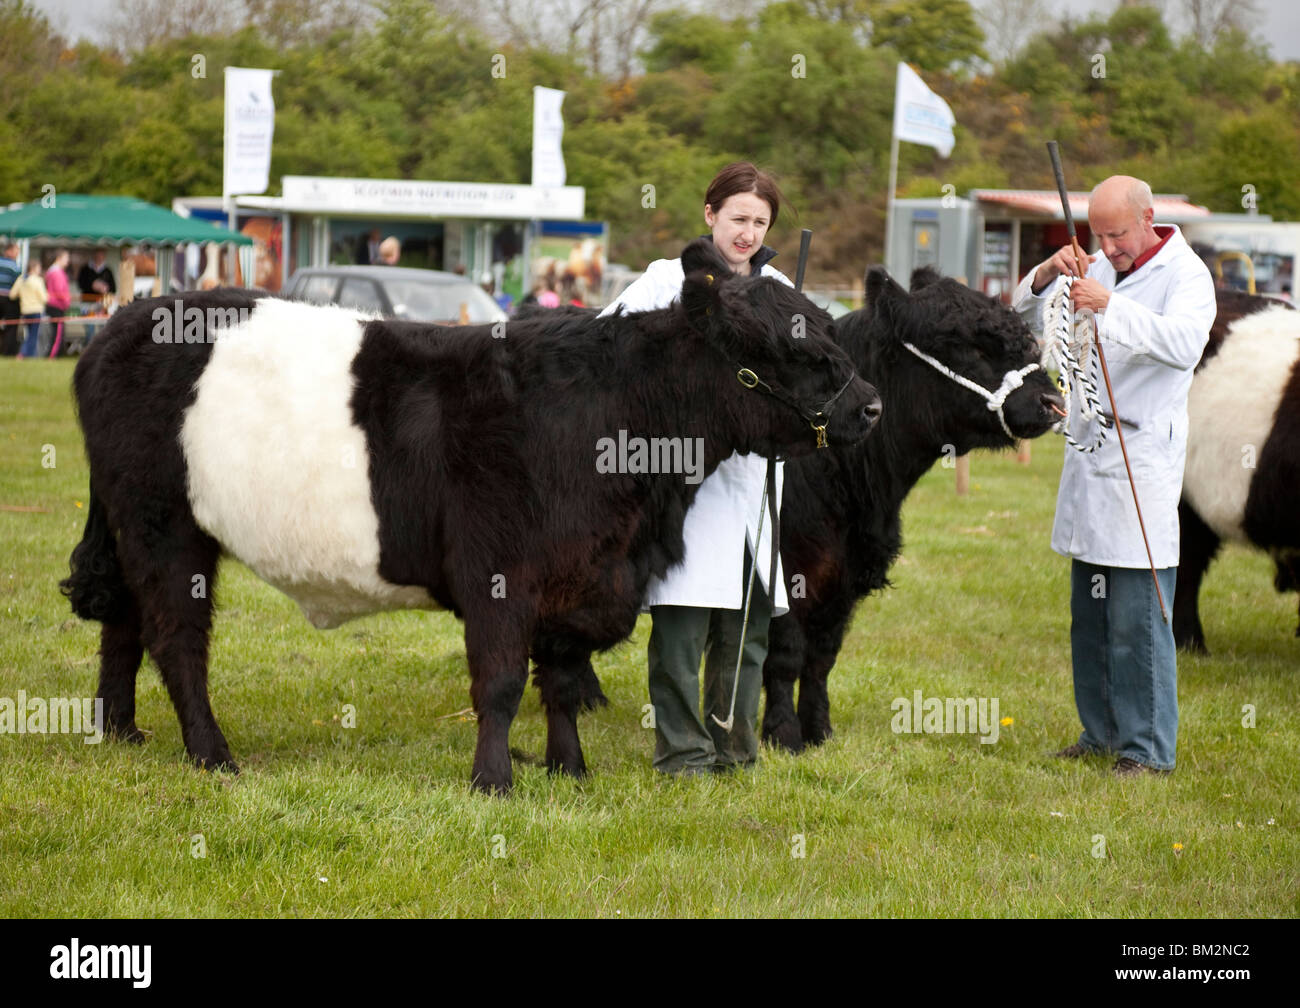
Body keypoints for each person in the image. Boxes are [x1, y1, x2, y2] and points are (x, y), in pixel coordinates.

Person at [1012, 175, 1215, 777]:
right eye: (1098, 234)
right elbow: (1024, 318)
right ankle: (1098, 733)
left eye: (1117, 233)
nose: (1108, 246)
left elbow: (1184, 345)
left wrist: (1113, 307)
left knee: (1137, 617)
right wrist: (1048, 272)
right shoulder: (1098, 265)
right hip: (1092, 454)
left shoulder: (1187, 274)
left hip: (1142, 461)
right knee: (1091, 613)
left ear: (1148, 216)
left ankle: (1146, 749)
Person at [599, 161, 792, 775]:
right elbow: (608, 343)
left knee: (747, 625)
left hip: (755, 480)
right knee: (683, 623)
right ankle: (683, 753)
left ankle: (735, 749)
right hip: (685, 480)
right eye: (738, 218)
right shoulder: (664, 281)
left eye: (760, 222)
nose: (749, 232)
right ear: (710, 215)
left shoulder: (779, 286)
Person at [10, 258, 48, 359]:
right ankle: (23, 353)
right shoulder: (38, 280)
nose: (40, 270)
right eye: (39, 267)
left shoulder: (21, 279)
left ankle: (30, 355)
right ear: (34, 268)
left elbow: (12, 294)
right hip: (36, 310)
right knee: (33, 335)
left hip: (25, 311)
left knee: (29, 334)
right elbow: (44, 298)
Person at [77, 249, 116, 346]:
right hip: (88, 303)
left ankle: (100, 350)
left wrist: (106, 288)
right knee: (89, 328)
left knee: (103, 329)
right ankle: (88, 350)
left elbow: (114, 288)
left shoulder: (108, 271)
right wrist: (92, 286)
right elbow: (80, 285)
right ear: (94, 256)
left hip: (102, 305)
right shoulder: (85, 269)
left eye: (101, 256)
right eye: (97, 256)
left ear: (104, 257)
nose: (99, 258)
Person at [44, 249, 71, 357]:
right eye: (66, 258)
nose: (67, 261)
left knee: (56, 332)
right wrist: (66, 302)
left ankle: (54, 354)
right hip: (57, 305)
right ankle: (52, 355)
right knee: (58, 334)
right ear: (59, 258)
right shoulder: (57, 272)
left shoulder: (52, 271)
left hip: (53, 305)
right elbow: (60, 290)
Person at [0, 242, 20, 356]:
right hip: (9, 299)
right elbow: (18, 283)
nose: (18, 253)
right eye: (16, 250)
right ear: (8, 251)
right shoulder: (14, 266)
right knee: (11, 326)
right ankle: (8, 352)